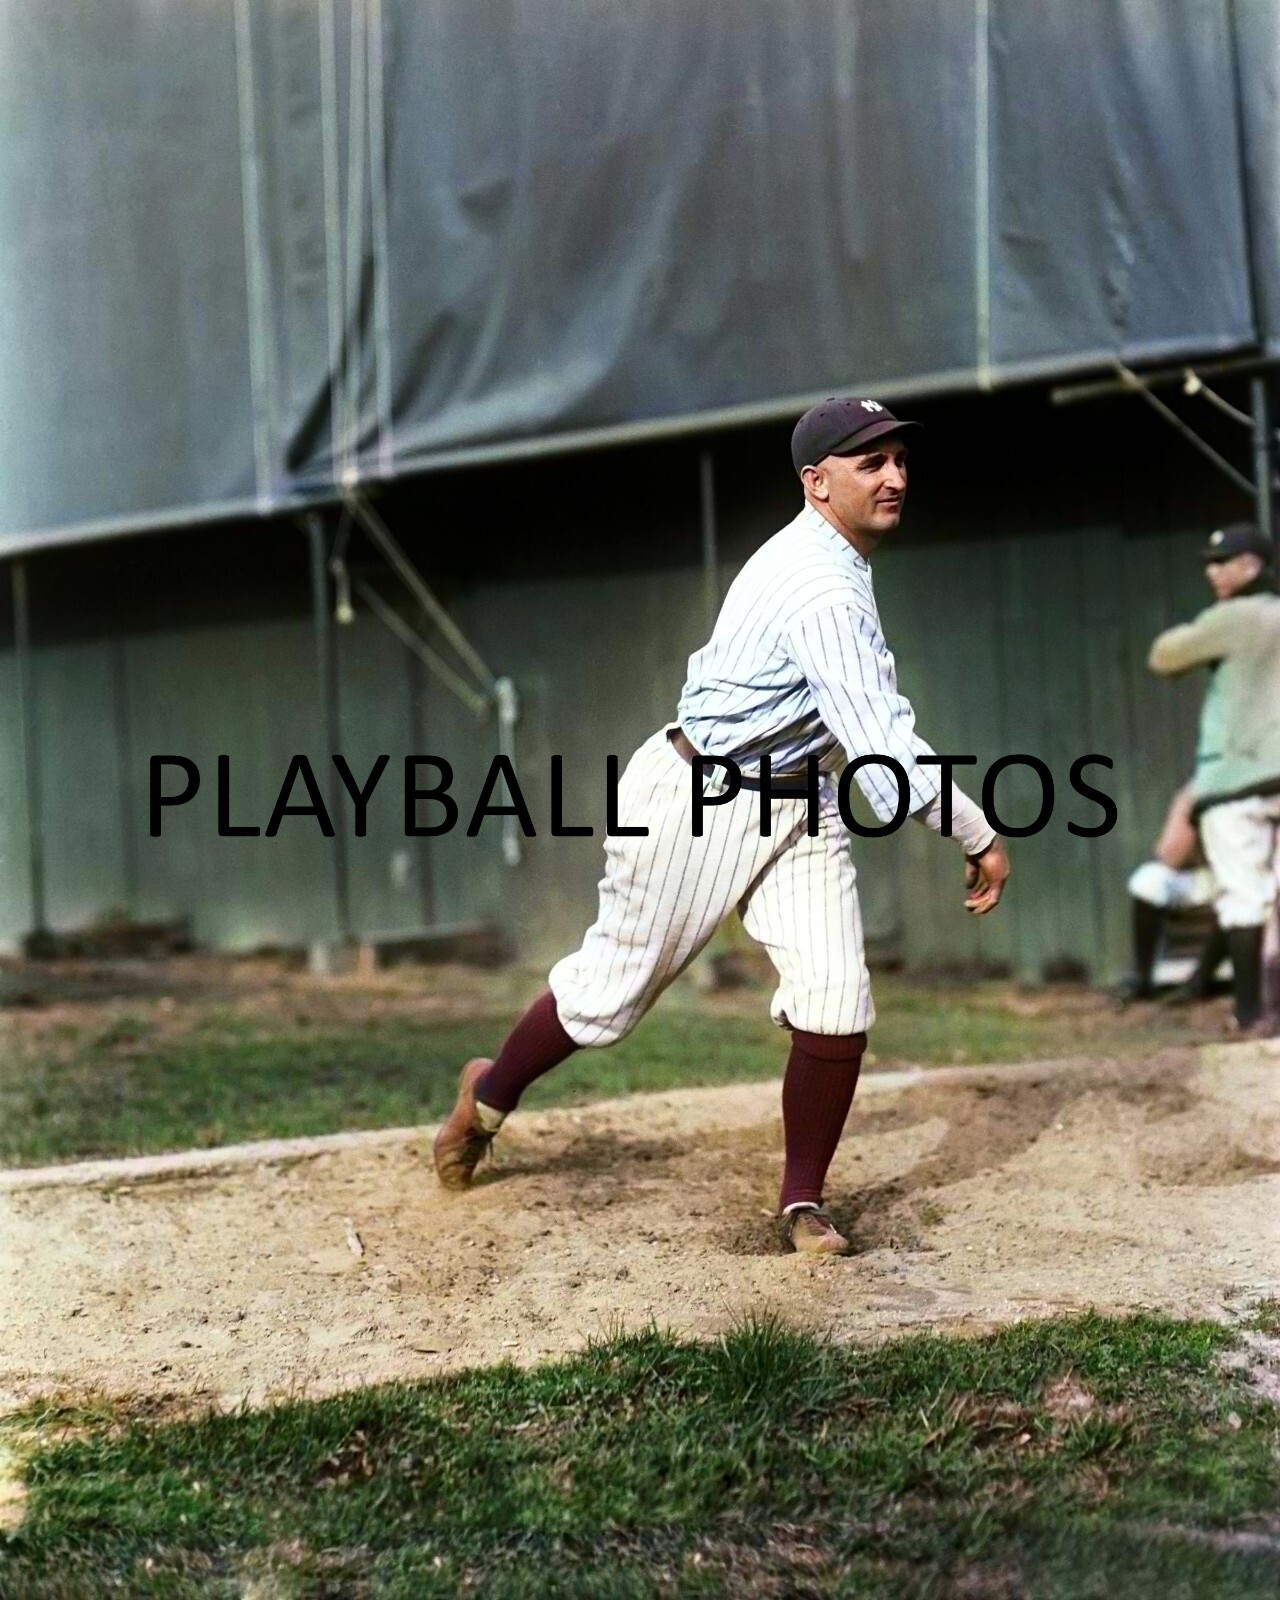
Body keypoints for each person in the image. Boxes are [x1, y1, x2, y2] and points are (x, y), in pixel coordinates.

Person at [434, 397, 1011, 1254]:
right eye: (868, 463)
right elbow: (881, 744)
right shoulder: (819, 586)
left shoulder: (833, 557)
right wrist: (976, 830)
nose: (893, 476)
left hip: (801, 796)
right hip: (703, 795)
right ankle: (489, 1092)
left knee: (837, 996)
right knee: (608, 995)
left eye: (897, 459)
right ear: (816, 483)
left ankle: (801, 1203)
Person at [1149, 522, 1280, 1035]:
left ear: (1251, 567)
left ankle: (1249, 1015)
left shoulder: (1231, 617)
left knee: (1244, 898)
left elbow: (1164, 656)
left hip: (1236, 781)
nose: (1211, 571)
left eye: (1221, 562)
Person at [1118, 780, 1225, 1004]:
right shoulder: (1198, 788)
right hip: (1205, 873)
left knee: (1242, 898)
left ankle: (1200, 981)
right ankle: (1142, 978)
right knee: (1149, 880)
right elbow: (1169, 855)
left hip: (1249, 877)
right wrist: (1189, 808)